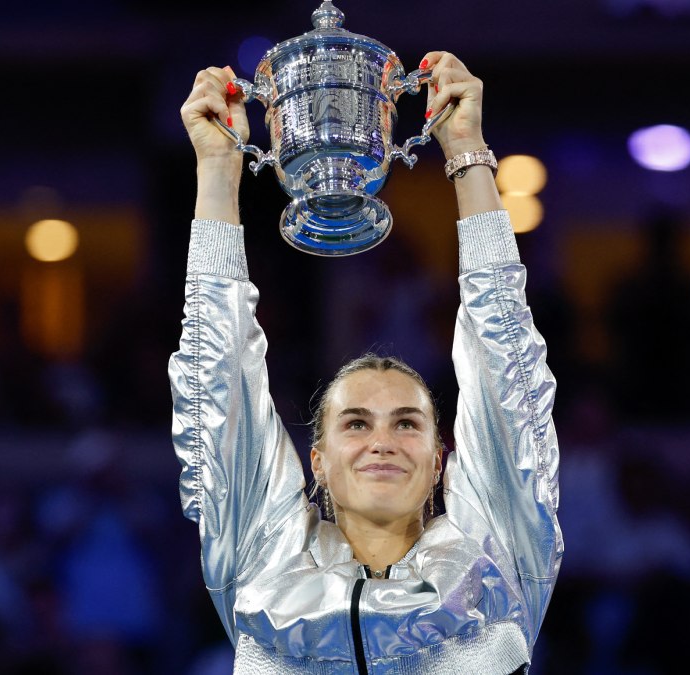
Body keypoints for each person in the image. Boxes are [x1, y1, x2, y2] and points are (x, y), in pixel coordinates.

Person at [170, 52, 562, 673]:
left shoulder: (496, 560)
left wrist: (465, 151)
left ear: (440, 461)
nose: (383, 440)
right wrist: (217, 169)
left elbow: (506, 363)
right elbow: (216, 380)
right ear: (316, 463)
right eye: (355, 422)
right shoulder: (262, 563)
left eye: (407, 422)